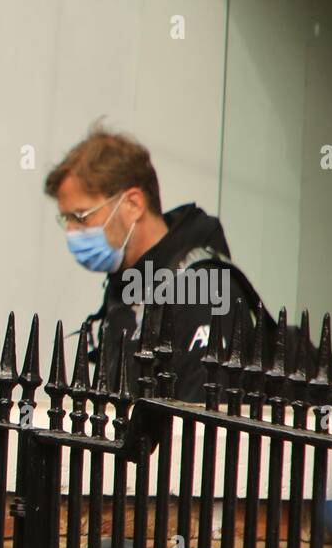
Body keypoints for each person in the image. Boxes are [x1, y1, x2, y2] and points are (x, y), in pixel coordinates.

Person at [45, 125, 260, 401]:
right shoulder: (128, 285)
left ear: (133, 204)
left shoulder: (204, 289)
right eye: (66, 220)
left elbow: (205, 427)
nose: (71, 232)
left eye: (80, 216)